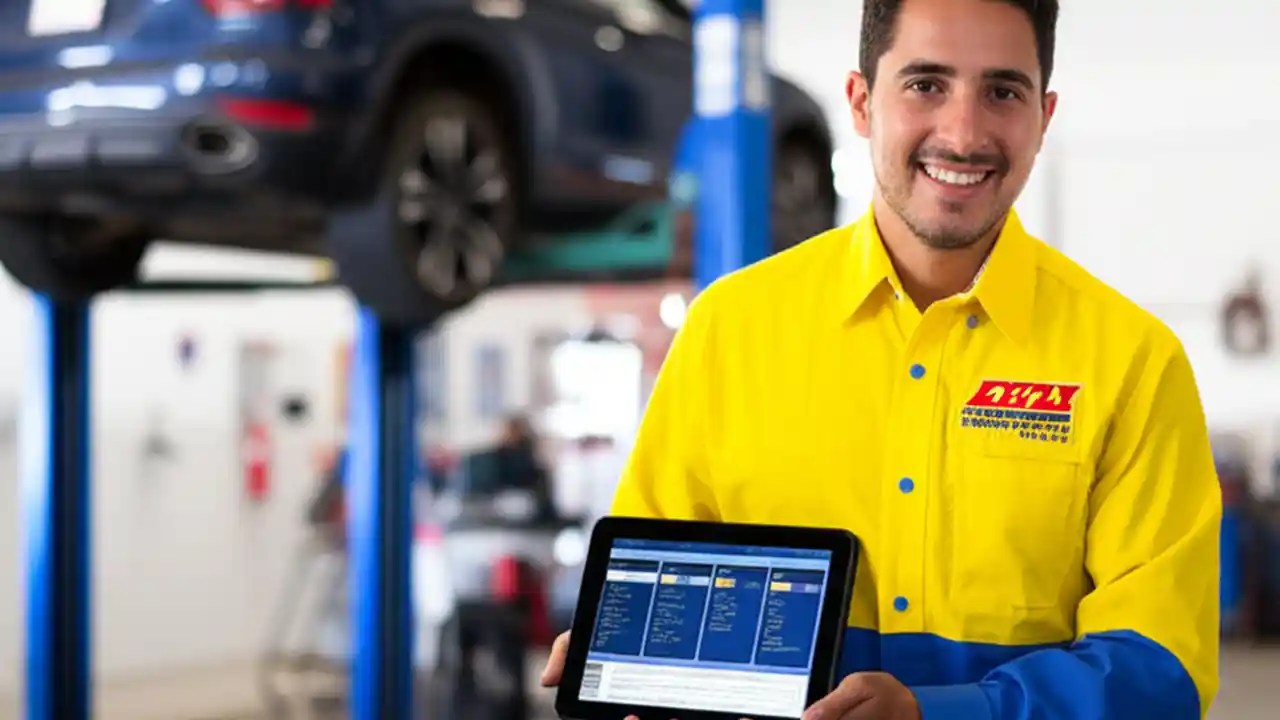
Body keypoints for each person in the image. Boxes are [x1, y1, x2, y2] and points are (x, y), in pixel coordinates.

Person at [541, 0, 1221, 718]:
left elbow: (1160, 666)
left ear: (1043, 117)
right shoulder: (730, 332)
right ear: (862, 103)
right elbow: (660, 594)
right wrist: (624, 655)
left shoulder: (1132, 362)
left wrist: (943, 712)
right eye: (926, 84)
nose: (963, 134)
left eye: (1002, 91)